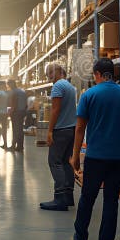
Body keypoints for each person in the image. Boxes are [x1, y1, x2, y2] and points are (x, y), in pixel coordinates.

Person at [70, 58, 120, 240]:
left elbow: (80, 128)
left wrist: (75, 157)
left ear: (97, 74)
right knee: (111, 201)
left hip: (95, 157)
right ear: (112, 74)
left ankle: (81, 238)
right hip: (118, 157)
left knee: (88, 198)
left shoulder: (89, 95)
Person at [40, 63, 78, 211]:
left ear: (57, 71)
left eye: (50, 72)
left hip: (60, 130)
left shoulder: (57, 87)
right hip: (71, 129)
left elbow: (55, 110)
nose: (48, 76)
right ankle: (68, 196)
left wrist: (49, 131)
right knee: (65, 162)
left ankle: (60, 198)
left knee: (54, 162)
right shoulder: (69, 86)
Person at [7, 79, 27, 151]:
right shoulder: (22, 91)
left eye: (9, 84)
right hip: (22, 112)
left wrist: (10, 113)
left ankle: (13, 146)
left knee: (15, 130)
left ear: (12, 84)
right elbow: (26, 104)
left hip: (16, 113)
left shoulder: (14, 92)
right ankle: (20, 146)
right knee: (20, 130)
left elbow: (14, 104)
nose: (8, 86)